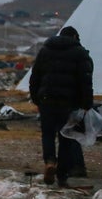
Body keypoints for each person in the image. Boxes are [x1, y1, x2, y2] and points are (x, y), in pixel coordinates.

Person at [28, 26, 94, 187]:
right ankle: (62, 175)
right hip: (68, 103)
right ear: (74, 37)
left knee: (48, 134)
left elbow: (34, 77)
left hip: (47, 100)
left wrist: (36, 98)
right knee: (66, 137)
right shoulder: (79, 53)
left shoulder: (45, 50)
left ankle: (50, 161)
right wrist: (86, 104)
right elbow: (85, 80)